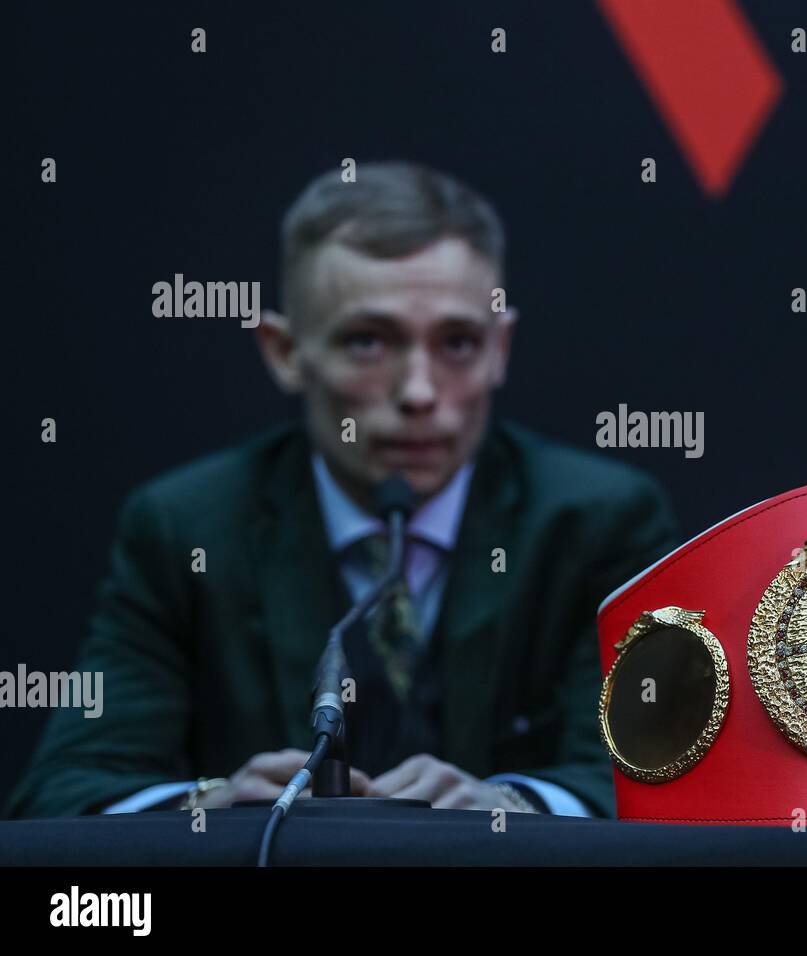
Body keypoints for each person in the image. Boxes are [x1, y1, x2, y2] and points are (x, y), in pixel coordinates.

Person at [5, 162, 677, 818]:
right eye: (367, 342)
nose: (418, 392)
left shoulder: (599, 524)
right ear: (284, 351)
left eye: (459, 343)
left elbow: (657, 786)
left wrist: (508, 806)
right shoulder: (186, 530)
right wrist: (210, 806)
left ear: (501, 348)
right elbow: (64, 794)